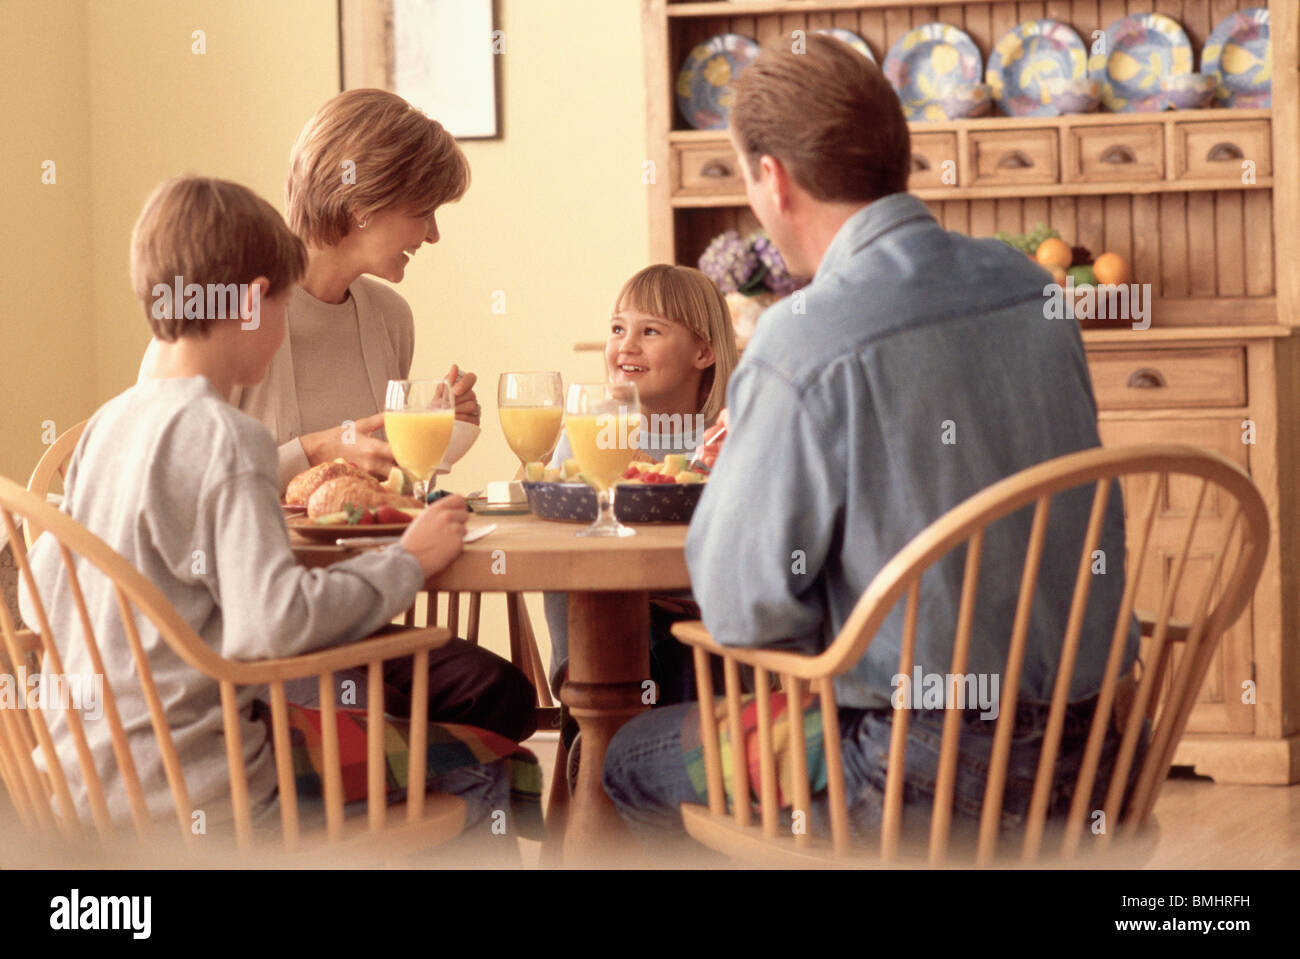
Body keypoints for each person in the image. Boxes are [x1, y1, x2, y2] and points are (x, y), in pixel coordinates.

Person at [602, 35, 1142, 848]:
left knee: (627, 757)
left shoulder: (802, 339)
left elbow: (741, 608)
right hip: (1102, 749)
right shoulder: (1032, 288)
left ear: (772, 178)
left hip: (920, 772)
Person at [18, 176, 530, 835]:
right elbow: (275, 623)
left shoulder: (107, 427)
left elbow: (40, 601)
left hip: (77, 780)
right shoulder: (228, 437)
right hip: (201, 788)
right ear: (258, 300)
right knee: (495, 766)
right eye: (285, 306)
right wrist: (406, 560)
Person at [140, 89, 483, 493]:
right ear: (362, 204)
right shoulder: (228, 307)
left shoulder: (391, 318)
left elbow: (376, 489)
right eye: (423, 212)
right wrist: (311, 454)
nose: (433, 235)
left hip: (359, 556)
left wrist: (433, 433)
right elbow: (165, 479)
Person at [544, 264, 738, 707]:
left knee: (693, 646)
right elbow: (562, 529)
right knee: (581, 581)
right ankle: (592, 714)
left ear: (703, 352)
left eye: (650, 331)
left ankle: (646, 740)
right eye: (617, 328)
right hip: (606, 616)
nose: (625, 345)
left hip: (701, 617)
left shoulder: (726, 435)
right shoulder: (588, 434)